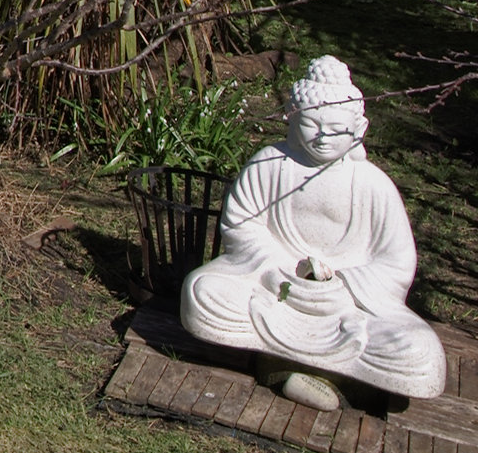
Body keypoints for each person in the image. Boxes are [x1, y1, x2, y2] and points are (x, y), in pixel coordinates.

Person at [180, 56, 445, 408]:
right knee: (203, 292)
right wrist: (275, 272)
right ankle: (309, 373)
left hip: (349, 307)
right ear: (291, 114)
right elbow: (240, 226)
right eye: (311, 125)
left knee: (418, 351)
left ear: (359, 129)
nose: (323, 137)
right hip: (274, 289)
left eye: (337, 129)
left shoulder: (371, 185)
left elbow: (396, 262)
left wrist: (343, 287)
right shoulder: (270, 164)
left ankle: (294, 370)